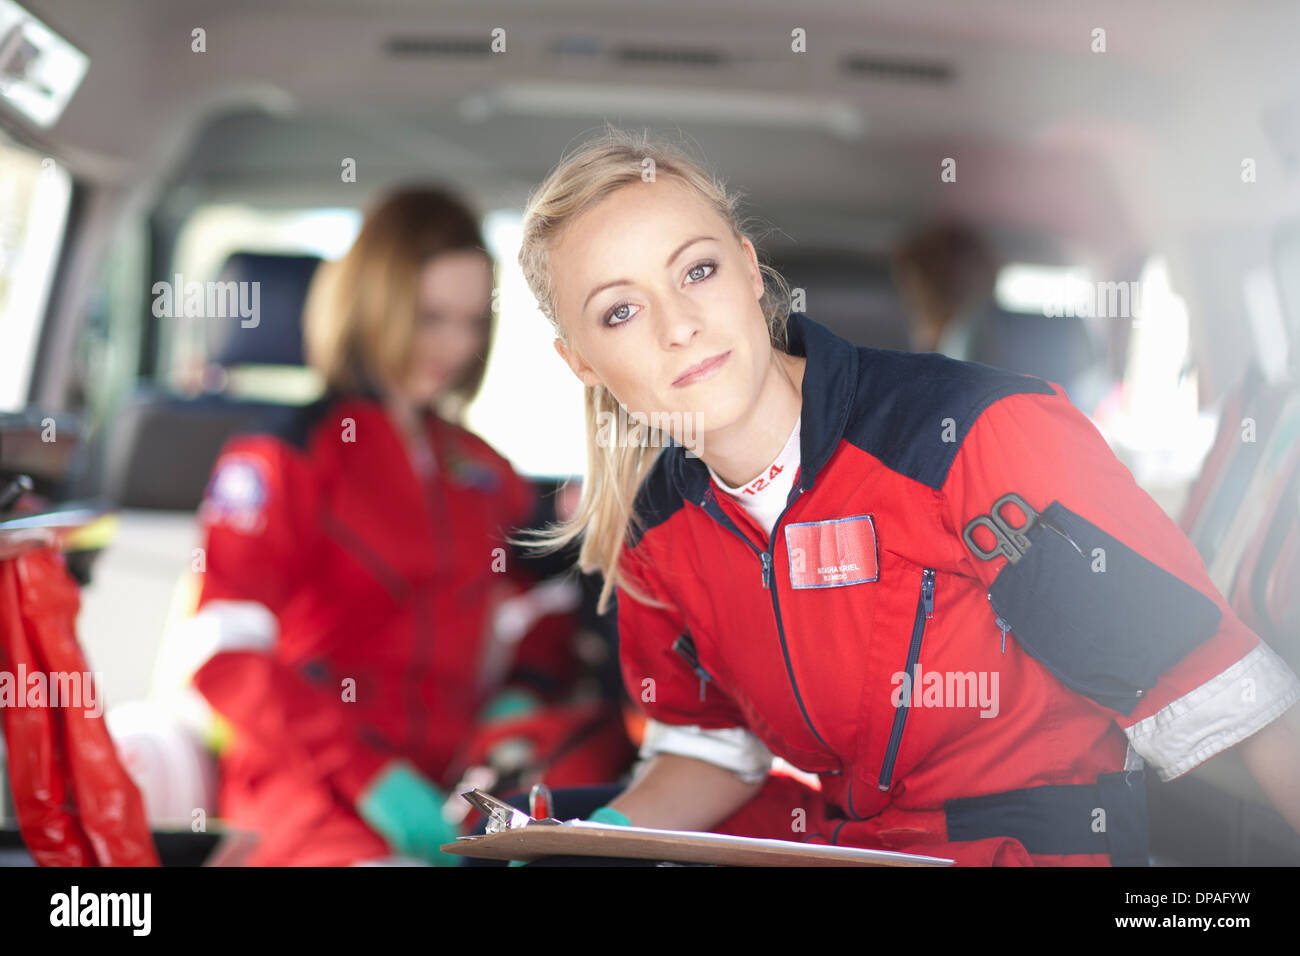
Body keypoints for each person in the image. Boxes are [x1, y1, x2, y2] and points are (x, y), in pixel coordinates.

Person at [504, 125, 1300, 866]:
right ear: (581, 364)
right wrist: (589, 844)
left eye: (697, 271)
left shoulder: (972, 437)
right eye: (621, 311)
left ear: (748, 269)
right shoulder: (656, 530)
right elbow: (707, 753)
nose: (677, 326)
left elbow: (1221, 693)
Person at [183, 186, 581, 866]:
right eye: (430, 318)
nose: (454, 345)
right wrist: (369, 778)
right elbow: (227, 657)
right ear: (373, 304)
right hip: (309, 789)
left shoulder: (482, 469)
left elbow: (545, 596)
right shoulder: (283, 458)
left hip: (456, 787)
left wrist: (527, 691)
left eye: (470, 323)